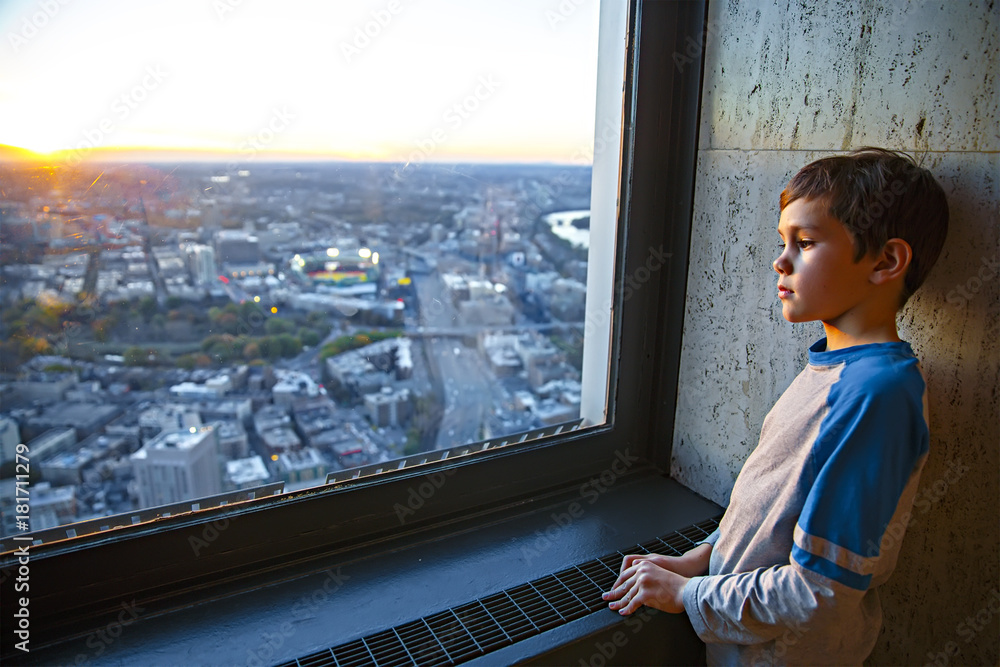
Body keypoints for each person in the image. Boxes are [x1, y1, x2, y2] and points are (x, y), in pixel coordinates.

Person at [602, 147, 950, 665]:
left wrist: (686, 597)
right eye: (782, 241)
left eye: (805, 243)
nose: (779, 260)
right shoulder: (833, 369)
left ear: (886, 261)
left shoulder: (878, 396)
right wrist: (699, 561)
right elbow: (768, 509)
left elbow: (820, 594)